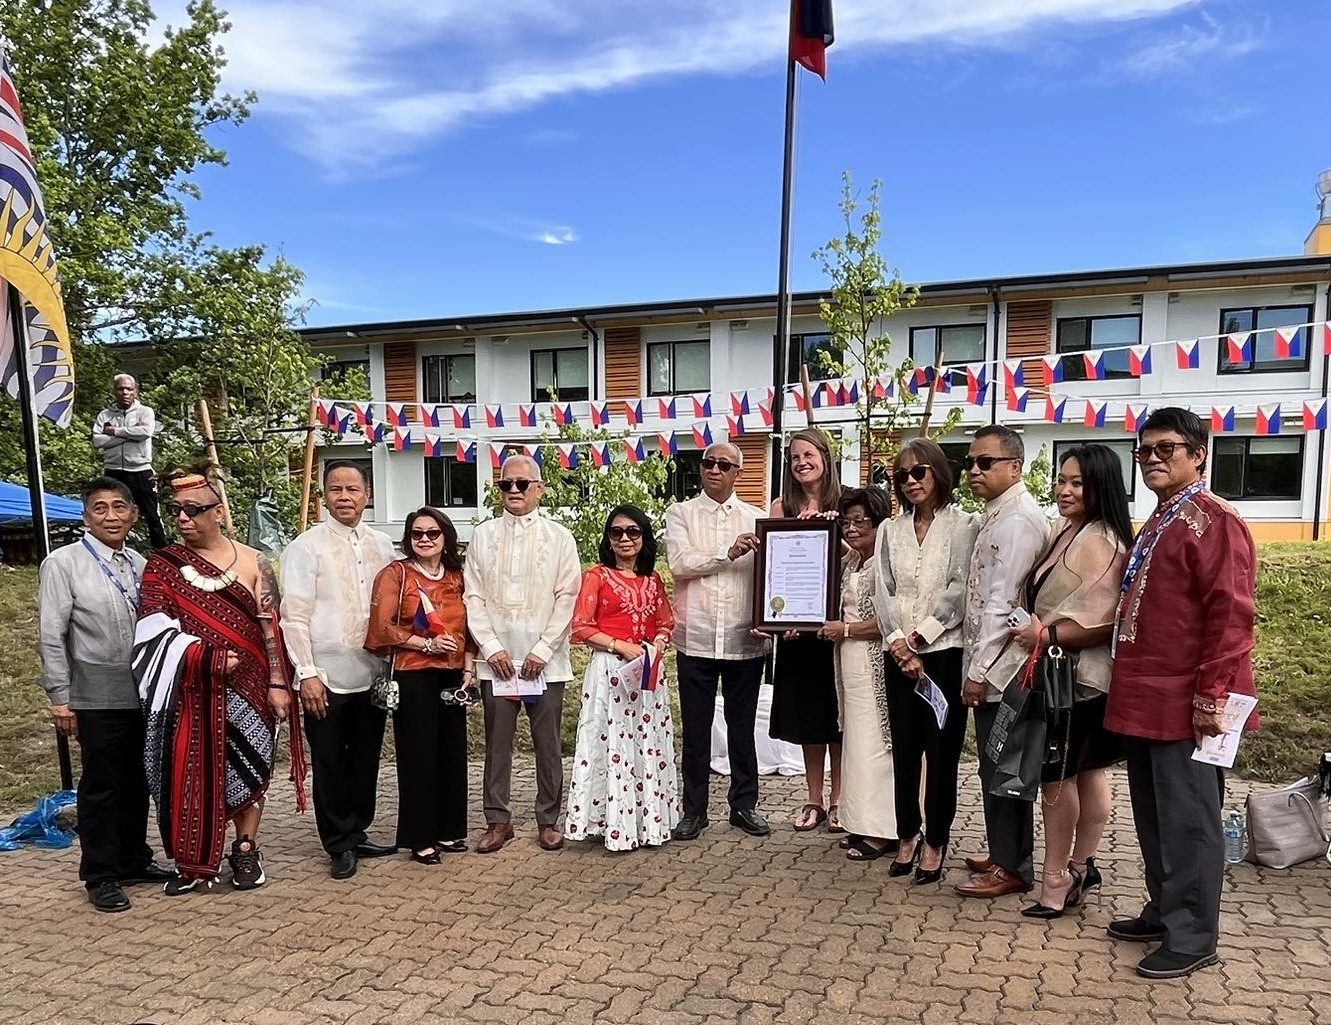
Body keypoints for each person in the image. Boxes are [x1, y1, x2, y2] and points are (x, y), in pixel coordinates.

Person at [1106, 407, 1258, 980]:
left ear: (1199, 454)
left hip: (1191, 701)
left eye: (1165, 448)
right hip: (1144, 695)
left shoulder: (1215, 520)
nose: (1151, 459)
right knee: (1154, 814)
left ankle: (1194, 936)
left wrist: (1212, 695)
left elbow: (1232, 615)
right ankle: (1165, 911)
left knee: (1191, 820)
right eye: (1144, 451)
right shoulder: (1160, 519)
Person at [133, 470, 307, 894]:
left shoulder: (254, 561)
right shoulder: (164, 565)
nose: (183, 519)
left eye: (193, 511)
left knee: (250, 766)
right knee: (192, 771)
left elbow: (272, 628)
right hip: (191, 687)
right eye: (176, 511)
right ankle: (194, 862)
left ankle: (246, 848)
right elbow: (152, 625)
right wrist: (204, 657)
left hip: (251, 685)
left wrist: (279, 683)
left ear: (219, 512)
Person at [988, 445, 1131, 918]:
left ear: (1101, 487)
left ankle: (1055, 880)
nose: (1065, 490)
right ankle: (1080, 865)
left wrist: (1044, 632)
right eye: (1062, 480)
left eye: (1077, 483)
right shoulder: (1070, 529)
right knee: (1089, 773)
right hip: (1068, 677)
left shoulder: (1099, 541)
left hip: (1076, 680)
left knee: (1060, 777)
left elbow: (1104, 620)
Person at [37, 477, 171, 912]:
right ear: (85, 516)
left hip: (142, 689)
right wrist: (60, 695)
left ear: (133, 514)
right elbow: (51, 634)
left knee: (138, 781)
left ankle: (134, 858)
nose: (110, 516)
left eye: (119, 507)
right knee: (102, 786)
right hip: (94, 693)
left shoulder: (140, 562)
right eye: (100, 508)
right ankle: (100, 875)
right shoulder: (64, 564)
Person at [279, 460, 398, 879]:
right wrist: (306, 672)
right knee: (329, 758)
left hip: (373, 672)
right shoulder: (305, 547)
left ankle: (359, 828)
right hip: (325, 676)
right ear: (324, 496)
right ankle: (339, 842)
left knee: (365, 758)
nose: (344, 497)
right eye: (335, 489)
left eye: (352, 489)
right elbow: (293, 616)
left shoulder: (382, 545)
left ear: (368, 495)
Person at [463, 455, 581, 854]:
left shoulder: (560, 538)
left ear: (540, 488)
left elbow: (568, 597)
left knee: (547, 744)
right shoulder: (482, 535)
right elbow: (472, 596)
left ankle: (549, 819)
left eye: (522, 484)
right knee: (497, 743)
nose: (513, 491)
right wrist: (491, 647)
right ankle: (498, 820)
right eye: (505, 484)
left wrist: (544, 648)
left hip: (545, 663)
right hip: (496, 662)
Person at [874, 439, 979, 883]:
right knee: (904, 753)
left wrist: (923, 637)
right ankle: (907, 835)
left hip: (942, 654)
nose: (911, 481)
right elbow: (883, 589)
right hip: (897, 656)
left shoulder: (964, 526)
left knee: (941, 755)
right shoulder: (888, 530)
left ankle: (937, 839)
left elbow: (959, 588)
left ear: (939, 473)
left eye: (920, 472)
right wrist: (899, 643)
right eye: (902, 476)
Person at [955, 425, 1048, 899]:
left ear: (1015, 467)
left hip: (1005, 667)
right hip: (993, 662)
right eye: (970, 462)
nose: (973, 470)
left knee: (1005, 766)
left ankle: (1013, 866)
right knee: (994, 766)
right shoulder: (997, 514)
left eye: (984, 462)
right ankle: (1003, 852)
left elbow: (1001, 603)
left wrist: (978, 672)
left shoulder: (1017, 521)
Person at [665, 441, 772, 841]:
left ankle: (744, 805)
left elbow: (770, 576)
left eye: (724, 465)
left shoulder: (758, 519)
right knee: (696, 729)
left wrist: (772, 619)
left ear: (737, 473)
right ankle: (694, 810)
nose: (714, 470)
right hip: (696, 637)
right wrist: (726, 553)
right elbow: (679, 564)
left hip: (745, 638)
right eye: (708, 463)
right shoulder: (681, 513)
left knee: (742, 727)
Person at [365, 508, 476, 864]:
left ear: (446, 538)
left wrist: (469, 666)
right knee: (418, 756)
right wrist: (424, 644)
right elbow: (381, 628)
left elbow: (471, 624)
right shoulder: (396, 574)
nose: (424, 539)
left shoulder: (459, 577)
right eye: (417, 534)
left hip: (453, 672)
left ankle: (449, 830)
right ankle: (420, 837)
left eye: (432, 533)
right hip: (413, 673)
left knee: (452, 753)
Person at [567, 505, 678, 851]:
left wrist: (657, 642)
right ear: (608, 539)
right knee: (609, 742)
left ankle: (648, 822)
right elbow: (582, 626)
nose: (625, 538)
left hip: (646, 671)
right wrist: (620, 646)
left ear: (644, 537)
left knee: (646, 742)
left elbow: (665, 621)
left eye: (633, 532)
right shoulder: (596, 576)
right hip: (610, 671)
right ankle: (610, 822)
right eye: (617, 532)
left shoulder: (653, 579)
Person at [768, 427, 844, 832]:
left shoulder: (845, 501)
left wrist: (835, 530)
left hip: (837, 626)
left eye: (808, 454)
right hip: (798, 631)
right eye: (795, 457)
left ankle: (839, 800)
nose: (801, 462)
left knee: (837, 716)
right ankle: (814, 799)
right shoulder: (783, 505)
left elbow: (861, 557)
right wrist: (781, 621)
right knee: (811, 718)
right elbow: (777, 570)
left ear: (825, 457)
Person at [816, 487, 895, 861]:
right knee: (855, 743)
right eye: (846, 522)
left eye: (860, 521)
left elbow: (888, 621)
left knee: (877, 744)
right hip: (848, 663)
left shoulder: (884, 562)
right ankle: (859, 821)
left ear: (880, 523)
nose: (851, 528)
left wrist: (845, 631)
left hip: (875, 663)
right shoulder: (853, 562)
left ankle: (884, 831)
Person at [91, 374, 166, 549]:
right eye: (121, 388)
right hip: (114, 471)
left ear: (136, 391)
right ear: (114, 391)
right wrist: (130, 435)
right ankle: (115, 550)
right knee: (115, 514)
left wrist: (115, 431)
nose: (125, 392)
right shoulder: (105, 415)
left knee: (152, 515)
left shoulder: (145, 412)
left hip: (140, 470)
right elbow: (98, 441)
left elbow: (145, 432)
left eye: (129, 389)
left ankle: (162, 554)